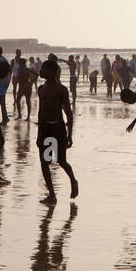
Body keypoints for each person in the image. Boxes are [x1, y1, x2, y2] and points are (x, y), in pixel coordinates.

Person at [35, 60, 78, 204]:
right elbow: (40, 112)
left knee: (61, 160)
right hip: (45, 129)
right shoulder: (41, 89)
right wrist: (39, 134)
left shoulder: (61, 89)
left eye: (43, 69)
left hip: (58, 128)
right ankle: (52, 194)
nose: (40, 71)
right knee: (44, 161)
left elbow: (68, 113)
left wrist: (69, 134)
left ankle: (73, 180)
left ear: (51, 72)